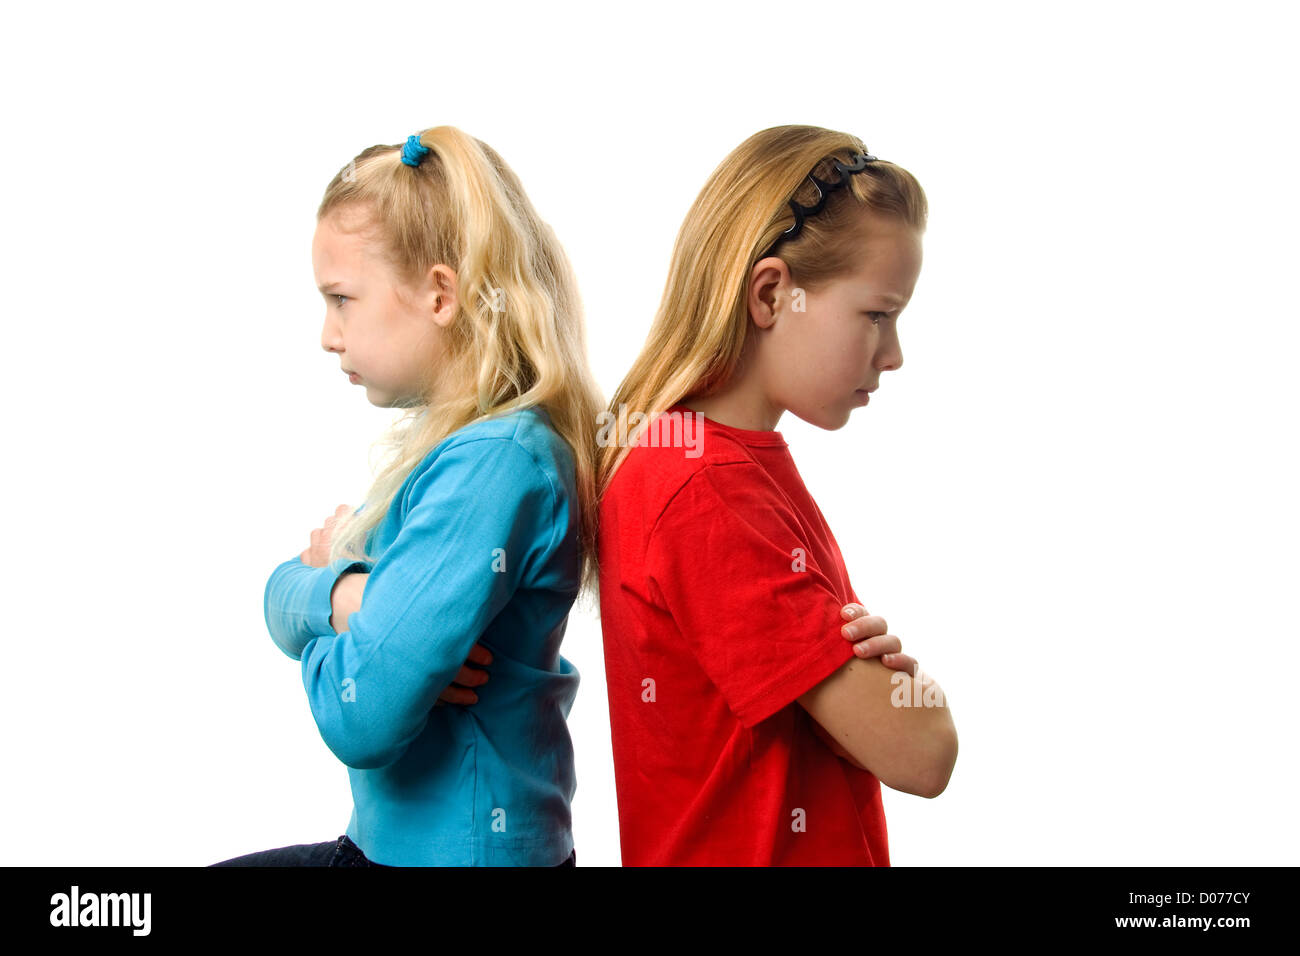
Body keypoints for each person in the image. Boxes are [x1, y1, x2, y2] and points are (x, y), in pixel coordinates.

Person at [214, 126, 602, 867]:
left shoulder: (494, 466)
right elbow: (277, 598)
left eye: (342, 300)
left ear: (439, 294)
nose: (328, 336)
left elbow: (362, 717)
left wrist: (345, 607)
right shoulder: (459, 450)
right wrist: (354, 601)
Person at [595, 125, 957, 866]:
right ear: (771, 294)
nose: (893, 355)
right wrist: (912, 689)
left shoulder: (697, 461)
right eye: (877, 314)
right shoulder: (708, 490)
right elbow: (924, 756)